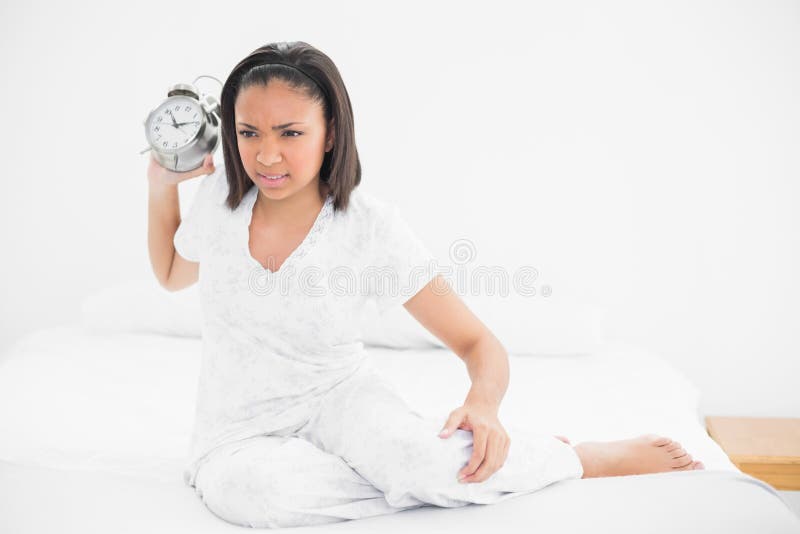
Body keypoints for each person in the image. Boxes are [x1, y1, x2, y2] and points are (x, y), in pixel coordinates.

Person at [146, 41, 704, 529]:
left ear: (331, 133)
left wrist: (483, 407)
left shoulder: (369, 227)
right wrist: (161, 186)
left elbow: (478, 343)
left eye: (290, 133)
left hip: (341, 400)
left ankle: (575, 458)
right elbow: (172, 273)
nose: (266, 155)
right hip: (238, 428)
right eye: (249, 133)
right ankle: (473, 473)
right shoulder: (220, 203)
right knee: (260, 495)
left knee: (423, 463)